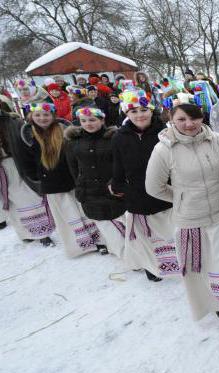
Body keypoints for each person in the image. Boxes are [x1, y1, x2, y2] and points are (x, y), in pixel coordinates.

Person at [146, 103, 219, 320]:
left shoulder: (217, 140)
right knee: (203, 266)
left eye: (194, 118)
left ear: (203, 118)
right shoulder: (164, 149)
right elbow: (154, 187)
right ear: (171, 119)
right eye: (182, 119)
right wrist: (182, 198)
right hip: (191, 219)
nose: (189, 124)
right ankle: (216, 304)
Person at [15, 102, 102, 255]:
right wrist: (37, 177)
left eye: (46, 115)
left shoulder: (64, 131)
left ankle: (98, 240)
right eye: (38, 115)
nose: (42, 118)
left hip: (71, 180)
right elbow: (25, 161)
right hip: (51, 184)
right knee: (67, 215)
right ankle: (80, 245)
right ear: (31, 116)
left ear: (53, 116)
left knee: (82, 211)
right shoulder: (28, 136)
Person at [110, 89, 179, 281]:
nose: (139, 115)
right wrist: (117, 185)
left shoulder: (164, 132)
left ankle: (178, 262)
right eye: (133, 111)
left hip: (166, 192)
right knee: (146, 237)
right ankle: (152, 266)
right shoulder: (119, 137)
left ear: (151, 110)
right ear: (126, 113)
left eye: (143, 109)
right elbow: (118, 165)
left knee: (169, 232)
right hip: (137, 194)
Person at [64, 107, 126, 257]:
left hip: (112, 189)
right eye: (83, 121)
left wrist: (117, 183)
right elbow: (73, 167)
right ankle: (122, 253)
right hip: (89, 191)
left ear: (102, 120)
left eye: (92, 120)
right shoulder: (74, 142)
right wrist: (79, 185)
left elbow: (122, 163)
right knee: (104, 225)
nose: (88, 124)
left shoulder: (114, 138)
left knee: (121, 222)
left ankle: (133, 254)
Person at [0, 96, 55, 244]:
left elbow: (26, 144)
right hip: (2, 171)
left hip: (16, 165)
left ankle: (42, 233)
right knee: (12, 203)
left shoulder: (13, 123)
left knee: (28, 198)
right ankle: (26, 234)